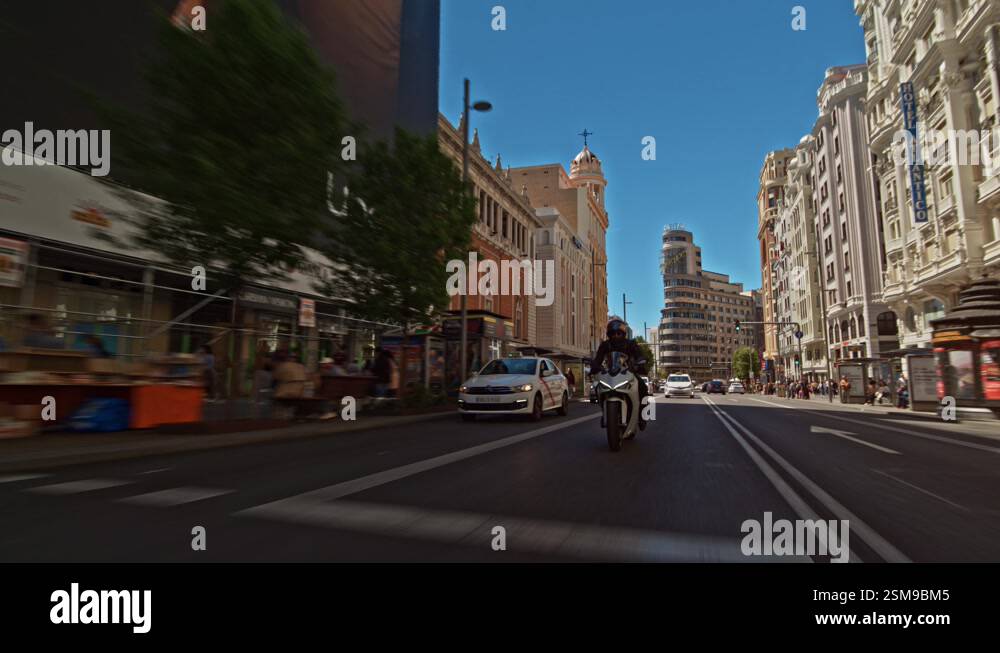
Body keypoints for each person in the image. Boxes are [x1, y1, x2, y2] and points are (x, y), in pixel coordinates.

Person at [590, 316, 649, 428]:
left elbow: (639, 355)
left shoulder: (631, 344)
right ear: (609, 334)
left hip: (628, 372)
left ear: (623, 333)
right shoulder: (605, 345)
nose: (616, 336)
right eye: (613, 333)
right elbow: (598, 359)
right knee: (597, 387)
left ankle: (643, 415)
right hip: (610, 374)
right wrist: (594, 366)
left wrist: (640, 361)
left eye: (618, 333)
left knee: (643, 387)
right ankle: (605, 410)